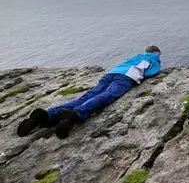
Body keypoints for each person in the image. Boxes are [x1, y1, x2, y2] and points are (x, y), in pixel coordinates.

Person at [17, 46, 162, 139]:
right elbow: (152, 72)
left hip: (111, 73)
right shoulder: (153, 57)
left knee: (87, 96)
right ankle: (74, 116)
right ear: (156, 52)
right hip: (126, 77)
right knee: (107, 96)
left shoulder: (135, 56)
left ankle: (46, 116)